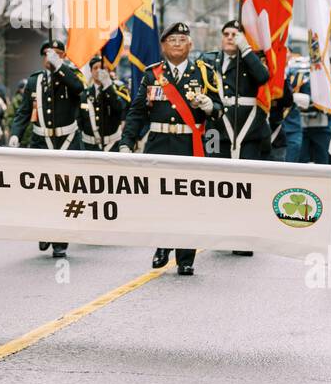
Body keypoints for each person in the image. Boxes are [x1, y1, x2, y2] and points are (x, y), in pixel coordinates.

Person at [119, 22, 222, 276]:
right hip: (159, 146)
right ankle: (163, 246)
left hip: (189, 146)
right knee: (161, 201)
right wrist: (126, 143)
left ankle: (185, 257)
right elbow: (137, 113)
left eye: (182, 39)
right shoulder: (152, 74)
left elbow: (220, 112)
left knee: (188, 203)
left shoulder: (204, 73)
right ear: (163, 46)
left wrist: (210, 107)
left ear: (191, 45)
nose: (177, 43)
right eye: (172, 40)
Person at [9, 39, 86, 258]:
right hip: (41, 141)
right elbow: (24, 111)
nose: (50, 58)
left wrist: (60, 66)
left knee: (64, 191)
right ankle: (45, 229)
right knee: (42, 191)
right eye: (48, 54)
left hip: (67, 141)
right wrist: (15, 133)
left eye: (57, 54)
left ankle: (61, 240)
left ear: (63, 56)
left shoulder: (72, 77)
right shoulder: (35, 81)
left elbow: (78, 88)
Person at [201, 20, 271, 161]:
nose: (230, 37)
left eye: (235, 34)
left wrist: (245, 49)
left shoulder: (251, 59)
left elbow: (263, 77)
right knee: (213, 167)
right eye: (226, 34)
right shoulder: (208, 59)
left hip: (248, 130)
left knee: (247, 174)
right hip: (215, 128)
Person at [79, 56, 130, 153]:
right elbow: (79, 121)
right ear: (91, 71)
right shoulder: (84, 94)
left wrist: (107, 86)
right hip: (89, 147)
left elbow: (119, 108)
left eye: (102, 68)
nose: (98, 71)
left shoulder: (118, 89)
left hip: (112, 146)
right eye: (95, 68)